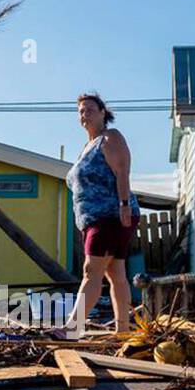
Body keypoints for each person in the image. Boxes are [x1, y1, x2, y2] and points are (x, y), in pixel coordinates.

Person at [61, 92, 139, 336]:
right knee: (116, 273)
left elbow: (122, 170)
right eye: (81, 111)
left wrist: (124, 204)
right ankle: (123, 330)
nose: (85, 115)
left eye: (90, 109)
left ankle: (72, 329)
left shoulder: (110, 137)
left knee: (90, 271)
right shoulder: (87, 146)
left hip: (111, 215)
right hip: (94, 219)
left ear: (103, 112)